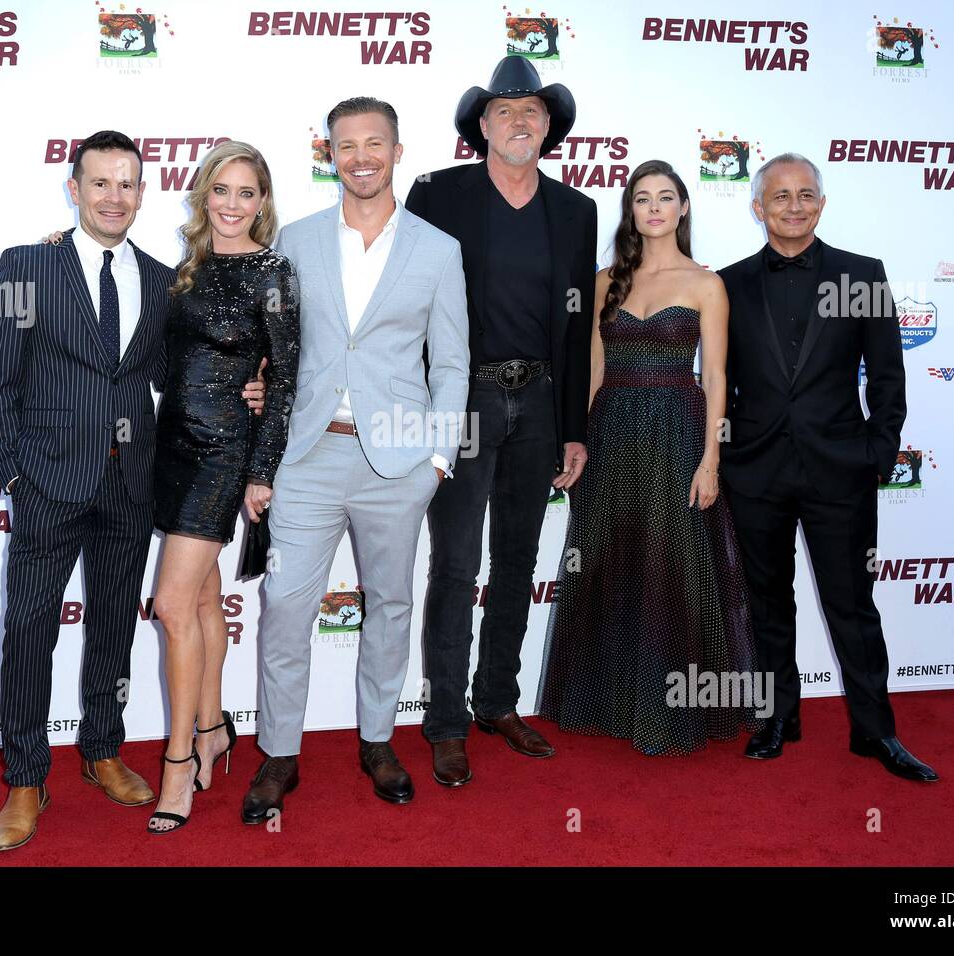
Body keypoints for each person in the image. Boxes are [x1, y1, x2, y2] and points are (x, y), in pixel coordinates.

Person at [0, 130, 263, 852]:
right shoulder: (23, 265)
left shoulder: (168, 279)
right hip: (46, 481)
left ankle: (102, 751)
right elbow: (0, 380)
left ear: (143, 192)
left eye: (128, 183)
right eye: (100, 183)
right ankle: (25, 777)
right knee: (30, 633)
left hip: (132, 484)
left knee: (111, 626)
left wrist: (250, 384)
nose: (114, 196)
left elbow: (183, 373)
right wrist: (14, 475)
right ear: (74, 189)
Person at [241, 96, 469, 823]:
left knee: (391, 608)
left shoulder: (438, 249)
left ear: (398, 151)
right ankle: (279, 753)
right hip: (307, 456)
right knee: (284, 612)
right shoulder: (296, 241)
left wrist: (436, 461)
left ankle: (377, 740)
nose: (361, 156)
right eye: (347, 145)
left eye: (376, 143)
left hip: (397, 464)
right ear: (330, 154)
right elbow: (272, 341)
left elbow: (454, 365)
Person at [406, 55, 596, 786]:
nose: (520, 121)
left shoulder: (576, 212)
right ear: (481, 125)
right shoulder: (437, 196)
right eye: (505, 110)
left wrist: (573, 425)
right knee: (456, 565)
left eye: (533, 112)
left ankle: (498, 702)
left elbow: (578, 330)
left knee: (517, 560)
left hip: (542, 402)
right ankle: (447, 722)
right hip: (465, 403)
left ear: (549, 128)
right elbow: (408, 305)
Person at [717, 153, 938, 781]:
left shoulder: (862, 274)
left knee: (853, 606)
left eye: (805, 194)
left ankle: (875, 732)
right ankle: (777, 717)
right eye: (779, 196)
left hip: (840, 470)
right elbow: (720, 381)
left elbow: (889, 376)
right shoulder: (728, 283)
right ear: (757, 207)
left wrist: (878, 452)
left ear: (822, 202)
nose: (793, 206)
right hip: (755, 470)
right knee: (765, 603)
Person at [537, 160, 762, 754]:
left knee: (671, 569)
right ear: (630, 211)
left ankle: (670, 713)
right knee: (609, 565)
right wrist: (574, 439)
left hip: (677, 433)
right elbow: (591, 368)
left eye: (666, 197)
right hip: (610, 433)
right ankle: (610, 705)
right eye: (643, 198)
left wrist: (710, 461)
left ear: (684, 208)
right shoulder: (603, 280)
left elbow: (715, 378)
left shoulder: (705, 284)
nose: (655, 207)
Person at [145, 142, 299, 834]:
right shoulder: (186, 271)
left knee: (172, 608)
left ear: (262, 202)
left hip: (224, 451)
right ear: (204, 195)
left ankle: (178, 762)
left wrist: (262, 469)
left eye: (247, 192)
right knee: (202, 601)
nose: (233, 204)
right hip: (170, 443)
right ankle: (211, 729)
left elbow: (287, 379)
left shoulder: (274, 272)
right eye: (222, 191)